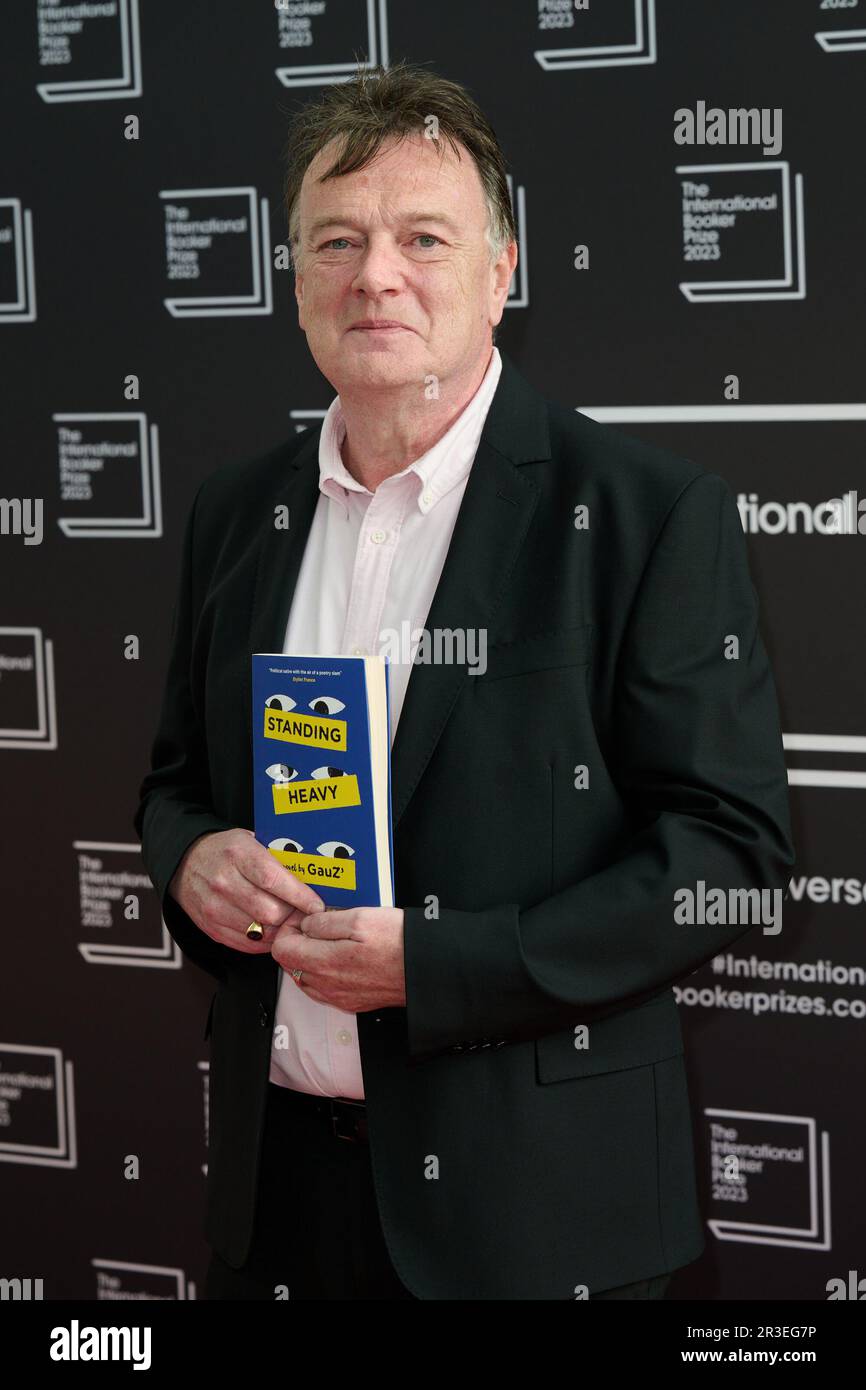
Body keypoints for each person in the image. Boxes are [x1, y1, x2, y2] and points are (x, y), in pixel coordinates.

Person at [134, 61, 795, 1301]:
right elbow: (173, 782)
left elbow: (726, 857)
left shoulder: (642, 515)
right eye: (335, 239)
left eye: (420, 236)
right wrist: (189, 855)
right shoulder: (235, 515)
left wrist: (434, 968)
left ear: (501, 271)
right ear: (294, 280)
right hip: (278, 1208)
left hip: (536, 1230)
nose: (373, 273)